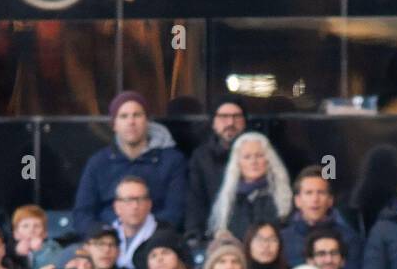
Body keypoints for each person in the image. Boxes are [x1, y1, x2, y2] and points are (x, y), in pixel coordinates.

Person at [73, 92, 187, 237]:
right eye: (124, 116)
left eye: (137, 115)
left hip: (154, 240)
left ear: (147, 120)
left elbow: (175, 212)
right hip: (108, 240)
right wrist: (106, 235)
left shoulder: (172, 160)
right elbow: (82, 214)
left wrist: (143, 233)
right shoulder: (98, 162)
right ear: (114, 125)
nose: (131, 122)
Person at [205, 132, 293, 244]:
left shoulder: (282, 196)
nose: (253, 162)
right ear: (238, 163)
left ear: (269, 160)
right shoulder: (228, 199)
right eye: (247, 157)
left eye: (259, 156)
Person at [280, 166, 363, 269]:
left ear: (330, 200)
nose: (315, 199)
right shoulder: (282, 239)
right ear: (297, 201)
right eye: (309, 193)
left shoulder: (349, 238)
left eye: (321, 193)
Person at [185, 94, 248, 243]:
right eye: (224, 117)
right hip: (212, 238)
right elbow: (195, 201)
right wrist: (194, 236)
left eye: (236, 117)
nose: (230, 122)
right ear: (213, 123)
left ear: (244, 122)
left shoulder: (255, 155)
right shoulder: (201, 157)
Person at [109, 177, 161, 269]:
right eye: (128, 200)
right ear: (117, 206)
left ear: (149, 204)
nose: (135, 206)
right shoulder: (106, 235)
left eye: (140, 199)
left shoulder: (164, 236)